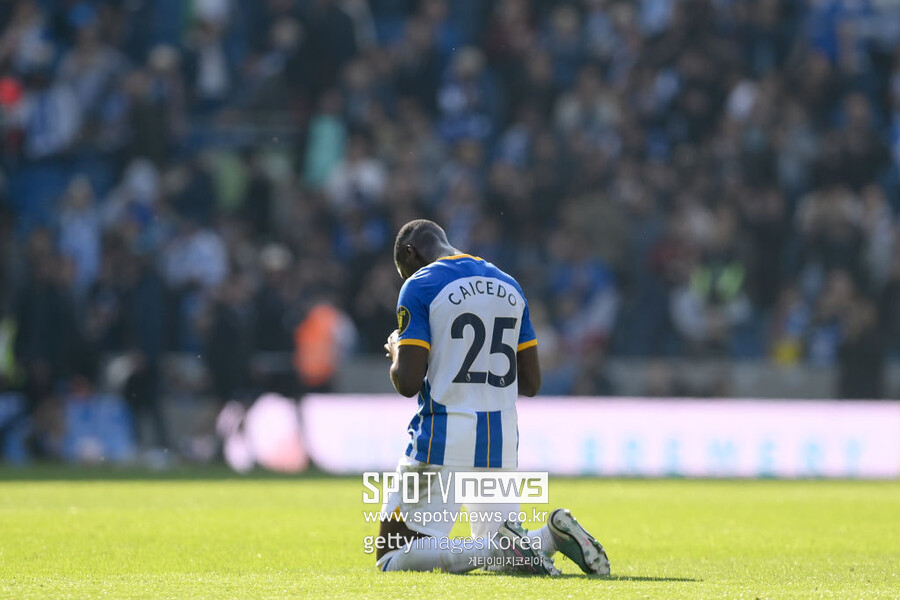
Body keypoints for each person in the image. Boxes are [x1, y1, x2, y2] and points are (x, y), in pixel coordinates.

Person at [375, 219, 610, 575]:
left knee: (391, 557)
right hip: (498, 438)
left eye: (403, 270)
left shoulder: (419, 286)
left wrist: (397, 352)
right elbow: (531, 382)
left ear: (411, 254)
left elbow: (407, 382)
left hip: (443, 435)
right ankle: (550, 536)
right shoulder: (509, 285)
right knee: (504, 562)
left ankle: (499, 548)